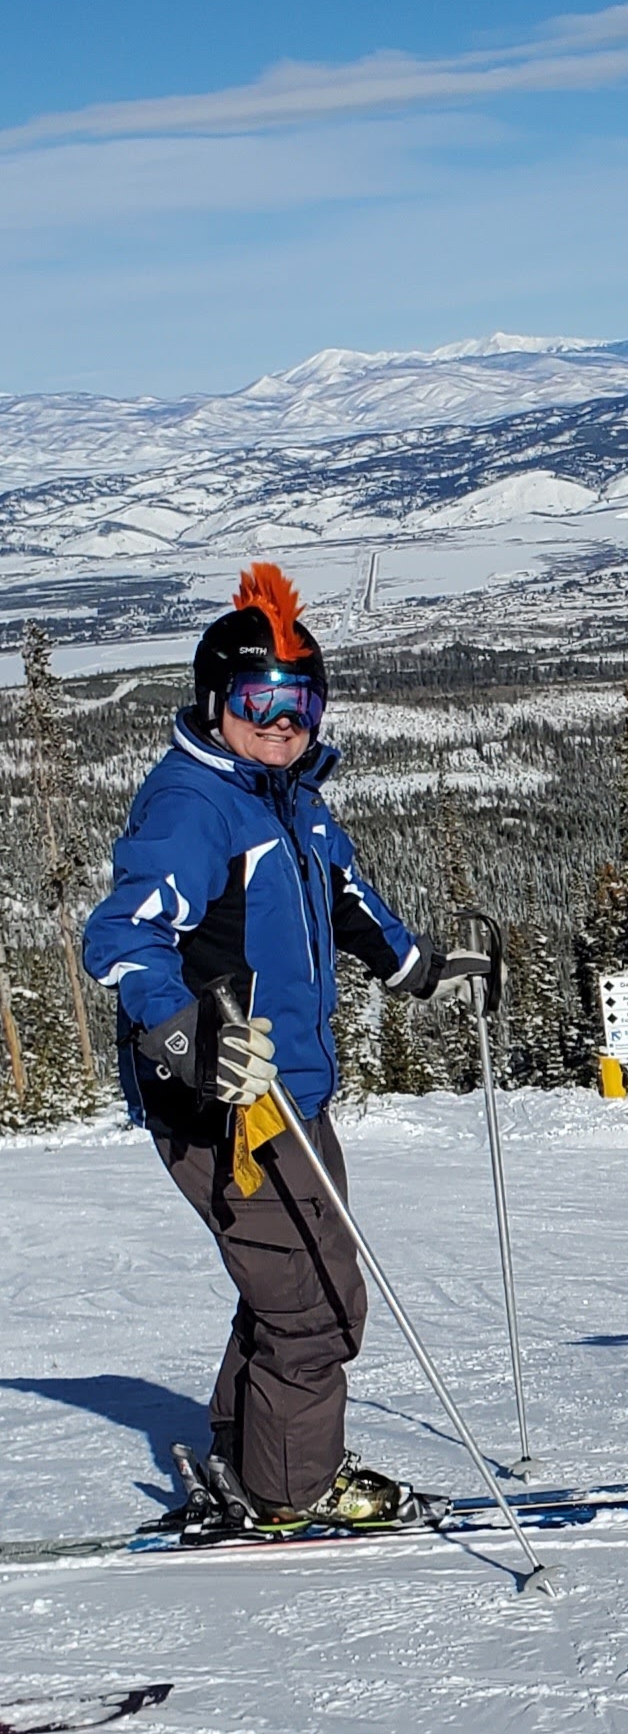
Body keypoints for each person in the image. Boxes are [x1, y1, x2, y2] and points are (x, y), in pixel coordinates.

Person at [83, 566, 495, 1531]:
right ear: (215, 700)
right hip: (221, 1101)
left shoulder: (287, 798)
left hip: (288, 1088)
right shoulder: (198, 805)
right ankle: (289, 1488)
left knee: (297, 1283)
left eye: (301, 701)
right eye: (261, 700)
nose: (282, 719)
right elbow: (123, 937)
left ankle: (250, 1451)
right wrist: (188, 1034)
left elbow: (347, 901)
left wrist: (423, 969)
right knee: (317, 1304)